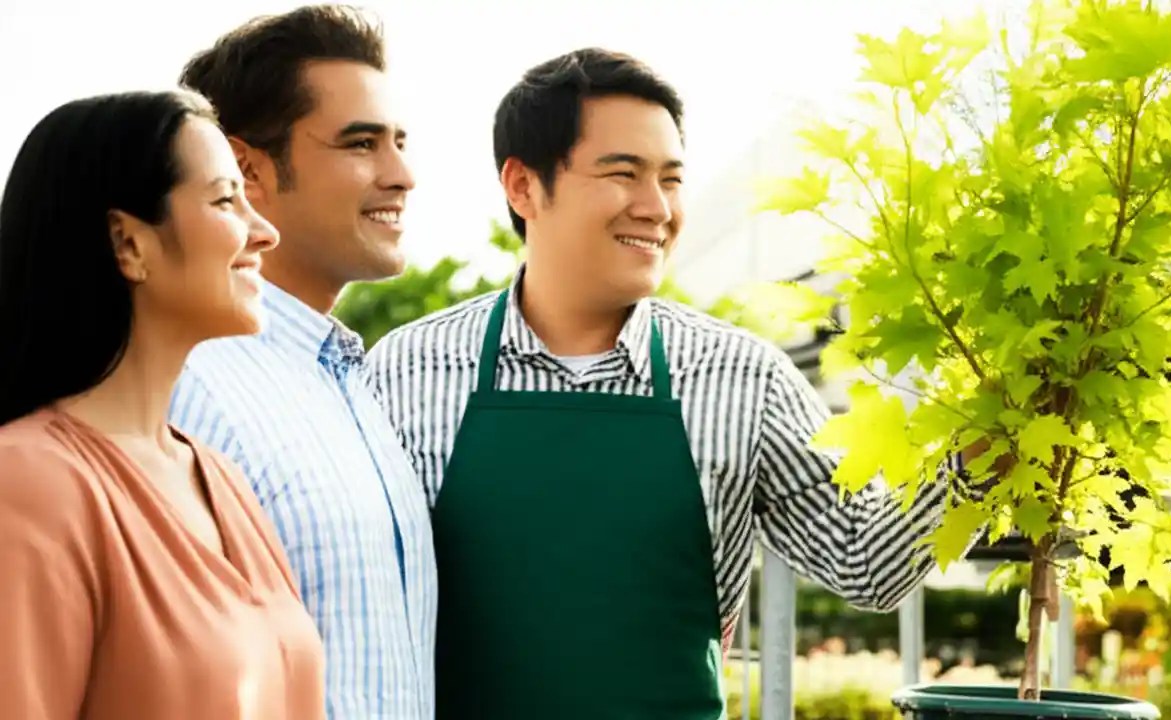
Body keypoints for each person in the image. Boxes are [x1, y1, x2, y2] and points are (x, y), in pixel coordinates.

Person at [366, 47, 981, 719]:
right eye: (623, 172)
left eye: (672, 179)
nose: (656, 207)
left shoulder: (743, 378)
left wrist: (980, 455)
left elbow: (868, 564)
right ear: (522, 186)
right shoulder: (407, 373)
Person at [0, 89, 323, 720]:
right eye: (226, 200)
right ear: (128, 243)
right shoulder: (29, 484)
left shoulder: (223, 478)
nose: (265, 232)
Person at [168, 6, 435, 719]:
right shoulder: (193, 389)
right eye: (361, 144)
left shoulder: (351, 385)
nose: (402, 174)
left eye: (400, 142)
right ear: (244, 170)